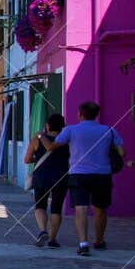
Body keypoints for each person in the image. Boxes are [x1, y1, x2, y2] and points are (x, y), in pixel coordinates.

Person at [49, 101, 125, 256]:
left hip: (78, 173)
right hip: (102, 174)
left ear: (80, 114)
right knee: (100, 209)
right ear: (96, 115)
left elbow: (53, 146)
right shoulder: (109, 130)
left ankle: (83, 243)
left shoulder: (70, 130)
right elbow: (122, 153)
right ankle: (99, 240)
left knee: (80, 209)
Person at [25, 112, 69, 248]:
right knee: (56, 208)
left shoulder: (37, 140)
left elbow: (27, 160)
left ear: (48, 126)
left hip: (41, 176)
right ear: (63, 126)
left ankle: (42, 231)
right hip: (61, 176)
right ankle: (53, 239)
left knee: (40, 206)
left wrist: (36, 158)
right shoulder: (66, 140)